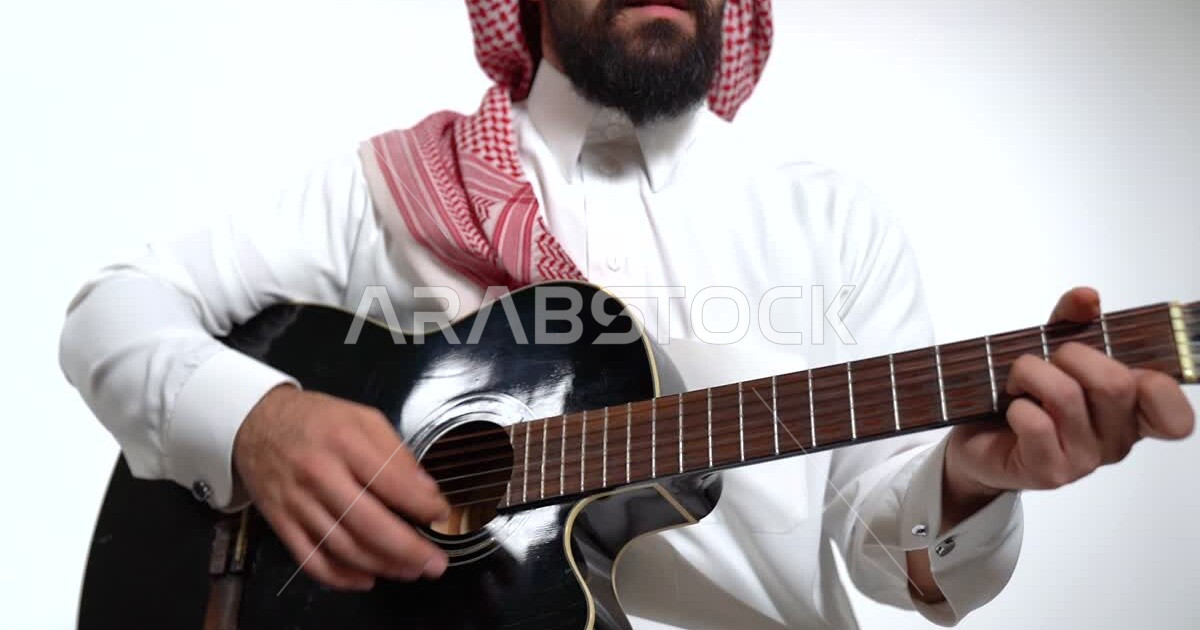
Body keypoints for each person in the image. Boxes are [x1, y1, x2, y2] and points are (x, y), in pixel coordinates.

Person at [59, 1, 1194, 628]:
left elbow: (885, 553)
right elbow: (114, 312)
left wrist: (974, 477)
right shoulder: (394, 189)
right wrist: (259, 421)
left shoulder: (829, 222)